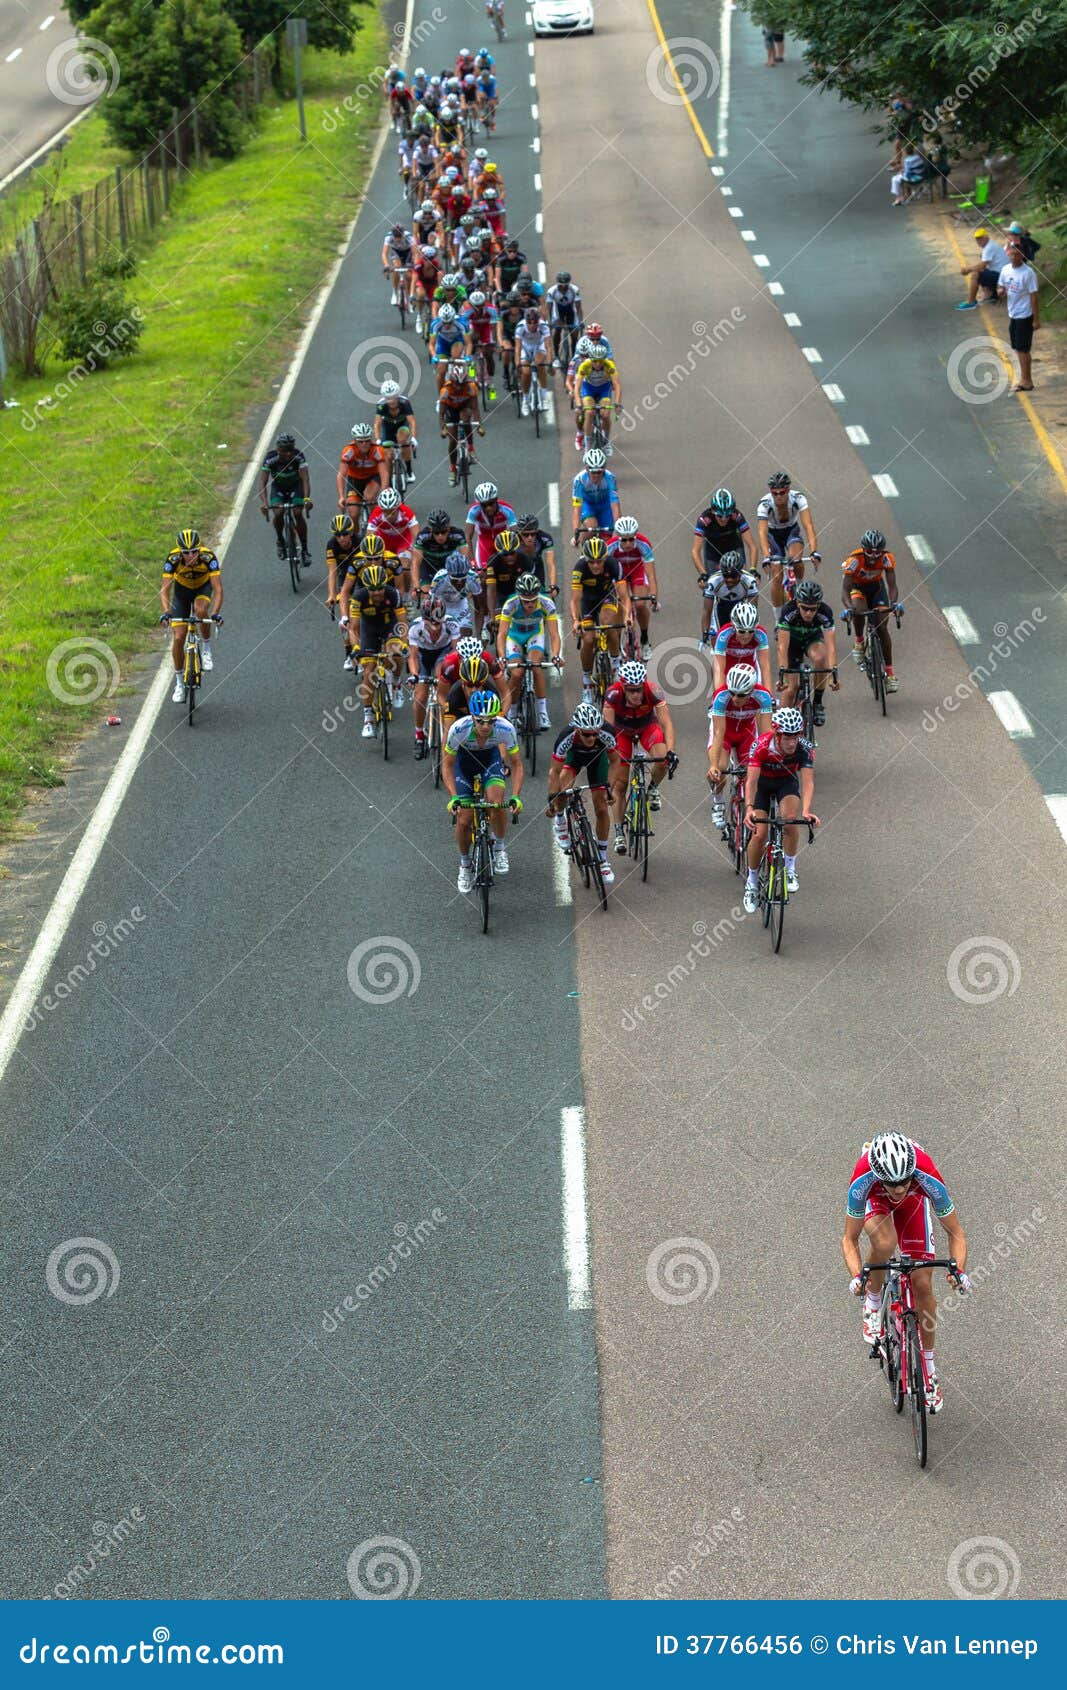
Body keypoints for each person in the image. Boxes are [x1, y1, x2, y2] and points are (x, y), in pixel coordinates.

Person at [842, 1132, 971, 1414]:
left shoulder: (926, 1173)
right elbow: (849, 1240)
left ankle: (929, 1371)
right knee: (885, 1242)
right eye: (892, 1182)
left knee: (923, 1283)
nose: (899, 1188)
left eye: (904, 1181)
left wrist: (957, 1270)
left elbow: (957, 1234)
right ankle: (874, 1304)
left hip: (916, 1205)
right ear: (878, 1175)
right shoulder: (863, 1178)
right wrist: (858, 1278)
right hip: (874, 1202)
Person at [444, 690, 523, 891]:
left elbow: (516, 764)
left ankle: (499, 847)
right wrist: (453, 797)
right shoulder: (458, 729)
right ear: (472, 717)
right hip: (464, 765)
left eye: (491, 721)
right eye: (481, 721)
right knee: (464, 818)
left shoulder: (506, 729)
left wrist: (516, 796)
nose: (486, 726)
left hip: (490, 761)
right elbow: (447, 765)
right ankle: (465, 864)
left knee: (496, 803)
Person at [742, 705, 818, 911]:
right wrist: (749, 808)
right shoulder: (761, 745)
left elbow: (808, 782)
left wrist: (807, 810)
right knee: (759, 833)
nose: (792, 742)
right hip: (762, 785)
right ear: (777, 734)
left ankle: (791, 868)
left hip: (786, 782)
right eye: (787, 737)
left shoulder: (804, 746)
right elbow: (751, 781)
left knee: (790, 821)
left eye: (795, 736)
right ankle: (752, 881)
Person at [603, 659, 675, 844]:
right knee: (620, 784)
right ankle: (619, 832)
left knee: (662, 758)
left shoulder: (653, 691)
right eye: (630, 690)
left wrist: (671, 751)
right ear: (623, 687)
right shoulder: (613, 694)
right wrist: (610, 756)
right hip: (621, 732)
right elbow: (607, 730)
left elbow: (666, 724)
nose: (636, 694)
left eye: (638, 689)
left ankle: (651, 790)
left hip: (646, 727)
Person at [548, 701, 618, 884]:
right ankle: (561, 820)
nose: (592, 738)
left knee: (602, 808)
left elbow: (615, 762)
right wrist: (552, 800)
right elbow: (554, 772)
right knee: (563, 789)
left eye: (595, 734)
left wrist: (609, 788)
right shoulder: (566, 737)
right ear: (578, 730)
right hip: (574, 758)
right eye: (587, 734)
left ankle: (602, 859)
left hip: (598, 760)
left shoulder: (607, 733)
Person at [337, 563, 409, 737]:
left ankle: (397, 684)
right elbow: (354, 629)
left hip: (389, 626)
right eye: (373, 589)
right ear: (367, 588)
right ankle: (368, 717)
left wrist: (404, 644)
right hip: (368, 630)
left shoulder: (393, 594)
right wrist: (355, 649)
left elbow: (403, 623)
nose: (377, 593)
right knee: (369, 670)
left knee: (396, 651)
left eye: (380, 589)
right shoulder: (358, 597)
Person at [707, 663, 774, 829]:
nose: (735, 698)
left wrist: (767, 761)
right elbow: (719, 732)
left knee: (752, 774)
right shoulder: (721, 696)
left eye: (741, 695)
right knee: (720, 769)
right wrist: (714, 765)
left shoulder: (763, 696)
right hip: (725, 734)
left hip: (747, 735)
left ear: (751, 691)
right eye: (732, 693)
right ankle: (718, 801)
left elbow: (766, 734)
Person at [161, 529, 222, 704]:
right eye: (186, 553)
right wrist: (166, 612)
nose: (191, 555)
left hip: (202, 589)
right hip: (181, 594)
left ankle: (206, 648)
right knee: (179, 637)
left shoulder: (208, 557)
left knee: (201, 611)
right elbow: (165, 590)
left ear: (199, 548)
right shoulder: (172, 559)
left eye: (194, 551)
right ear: (180, 552)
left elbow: (218, 589)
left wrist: (216, 612)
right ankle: (179, 683)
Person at [496, 573, 562, 730]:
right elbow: (502, 635)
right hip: (515, 636)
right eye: (526, 601)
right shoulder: (510, 604)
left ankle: (542, 713)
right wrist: (502, 658)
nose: (530, 604)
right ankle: (511, 713)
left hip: (534, 635)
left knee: (536, 667)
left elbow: (554, 635)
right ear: (519, 597)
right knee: (517, 673)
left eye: (533, 600)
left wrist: (556, 656)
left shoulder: (547, 603)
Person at [842, 528, 899, 691]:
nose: (873, 556)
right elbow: (844, 590)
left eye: (877, 552)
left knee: (882, 627)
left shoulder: (887, 558)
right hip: (857, 588)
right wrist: (849, 608)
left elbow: (892, 586)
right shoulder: (854, 560)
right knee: (859, 610)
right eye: (869, 552)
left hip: (876, 589)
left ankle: (890, 674)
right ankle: (859, 641)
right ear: (863, 549)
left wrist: (894, 603)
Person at [776, 578, 839, 725]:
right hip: (793, 643)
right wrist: (783, 675)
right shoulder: (788, 611)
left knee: (820, 659)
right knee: (791, 689)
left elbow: (831, 647)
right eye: (805, 608)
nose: (809, 613)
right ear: (797, 603)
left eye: (813, 609)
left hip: (812, 639)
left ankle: (817, 703)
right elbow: (782, 648)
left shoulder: (826, 612)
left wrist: (833, 674)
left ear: (819, 606)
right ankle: (780, 726)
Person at [571, 535, 629, 697]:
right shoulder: (580, 568)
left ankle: (616, 667)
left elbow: (624, 596)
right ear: (586, 560)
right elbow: (575, 599)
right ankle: (587, 682)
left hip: (606, 597)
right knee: (588, 639)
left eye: (599, 562)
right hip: (587, 602)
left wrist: (627, 617)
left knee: (608, 625)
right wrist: (576, 620)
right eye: (592, 562)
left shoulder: (613, 564)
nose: (595, 565)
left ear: (605, 558)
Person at [756, 471, 819, 608]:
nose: (778, 496)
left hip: (791, 530)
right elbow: (762, 532)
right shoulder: (764, 504)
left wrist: (814, 551)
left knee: (795, 558)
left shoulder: (798, 498)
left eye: (782, 492)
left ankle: (799, 584)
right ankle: (778, 618)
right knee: (776, 577)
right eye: (775, 493)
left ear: (788, 490)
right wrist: (766, 556)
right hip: (773, 535)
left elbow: (808, 526)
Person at [408, 597, 461, 757]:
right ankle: (419, 736)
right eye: (432, 623)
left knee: (441, 683)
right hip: (423, 656)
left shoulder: (452, 624)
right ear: (424, 620)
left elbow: (455, 651)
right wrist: (415, 676)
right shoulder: (415, 628)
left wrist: (449, 675)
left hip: (442, 654)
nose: (436, 627)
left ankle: (448, 730)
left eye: (439, 623)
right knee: (420, 696)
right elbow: (413, 656)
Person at [607, 516, 658, 657]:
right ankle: (617, 644)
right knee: (618, 605)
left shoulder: (644, 543)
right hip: (619, 572)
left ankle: (644, 639)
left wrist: (653, 596)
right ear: (618, 538)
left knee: (641, 604)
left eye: (631, 539)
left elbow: (651, 574)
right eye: (624, 540)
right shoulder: (610, 547)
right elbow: (606, 573)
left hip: (637, 570)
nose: (628, 543)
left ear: (636, 536)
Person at [260, 433, 312, 566]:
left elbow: (305, 479)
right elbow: (262, 483)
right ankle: (280, 540)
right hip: (278, 488)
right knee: (278, 513)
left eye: (290, 449)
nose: (288, 454)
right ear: (278, 450)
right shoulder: (270, 458)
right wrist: (265, 503)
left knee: (298, 513)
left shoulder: (298, 456)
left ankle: (305, 550)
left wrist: (306, 498)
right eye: (284, 451)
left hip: (296, 486)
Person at [692, 487, 760, 579]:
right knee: (711, 585)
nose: (724, 519)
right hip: (713, 553)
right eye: (719, 516)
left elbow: (752, 546)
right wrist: (703, 574)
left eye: (727, 515)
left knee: (744, 581)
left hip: (734, 548)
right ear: (713, 511)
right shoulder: (704, 520)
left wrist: (753, 569)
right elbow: (695, 551)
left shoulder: (737, 516)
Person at [998, 241, 1040, 391]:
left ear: (1023, 256)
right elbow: (1001, 286)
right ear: (1008, 253)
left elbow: (1034, 297)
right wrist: (1000, 292)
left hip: (1025, 315)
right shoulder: (1005, 270)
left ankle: (1026, 381)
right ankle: (1024, 378)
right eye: (1012, 253)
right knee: (1017, 347)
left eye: (1017, 254)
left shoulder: (1028, 273)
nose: (1014, 256)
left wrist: (1036, 319)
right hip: (1013, 315)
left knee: (1023, 349)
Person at [699, 549, 760, 645]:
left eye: (733, 576)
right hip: (721, 606)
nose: (729, 579)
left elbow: (752, 610)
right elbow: (707, 611)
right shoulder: (713, 581)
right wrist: (705, 632)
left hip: (741, 606)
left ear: (741, 573)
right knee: (718, 640)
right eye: (726, 576)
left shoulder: (750, 581)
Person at [713, 598, 772, 694]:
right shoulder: (724, 635)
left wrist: (769, 696)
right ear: (733, 625)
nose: (746, 636)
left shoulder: (760, 634)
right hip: (727, 672)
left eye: (751, 631)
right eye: (741, 631)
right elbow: (719, 669)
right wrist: (718, 695)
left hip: (751, 672)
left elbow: (765, 667)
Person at [571, 449, 620, 546]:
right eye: (593, 472)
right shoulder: (579, 480)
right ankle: (584, 551)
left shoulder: (610, 478)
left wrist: (619, 529)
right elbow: (577, 508)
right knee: (591, 526)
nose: (596, 475)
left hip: (605, 506)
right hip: (588, 505)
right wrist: (576, 534)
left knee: (607, 542)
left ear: (604, 469)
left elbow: (615, 506)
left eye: (599, 472)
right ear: (586, 469)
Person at [337, 425, 385, 524]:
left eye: (367, 441)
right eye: (361, 441)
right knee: (353, 513)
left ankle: (375, 524)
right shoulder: (349, 451)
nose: (364, 444)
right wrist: (341, 497)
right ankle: (356, 538)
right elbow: (341, 475)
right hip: (355, 481)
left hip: (373, 478)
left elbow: (384, 472)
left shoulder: (377, 450)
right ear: (355, 441)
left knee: (370, 497)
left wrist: (384, 491)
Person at [956, 226, 1009, 309]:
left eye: (980, 238)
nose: (978, 241)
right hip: (1002, 274)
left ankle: (971, 302)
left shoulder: (989, 247)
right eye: (977, 239)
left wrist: (967, 270)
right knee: (982, 271)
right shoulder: (989, 245)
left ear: (986, 237)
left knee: (975, 274)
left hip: (1002, 276)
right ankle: (991, 294)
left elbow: (981, 266)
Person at [375, 382, 417, 486]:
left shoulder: (405, 402)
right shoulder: (381, 405)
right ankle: (388, 480)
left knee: (402, 440)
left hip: (402, 426)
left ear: (398, 395)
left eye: (394, 397)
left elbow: (412, 422)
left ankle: (409, 471)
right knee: (388, 456)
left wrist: (413, 438)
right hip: (388, 430)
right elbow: (377, 424)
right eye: (388, 398)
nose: (391, 401)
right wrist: (378, 439)